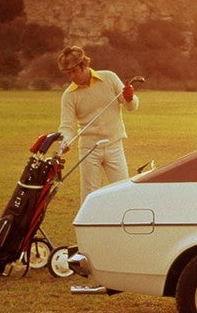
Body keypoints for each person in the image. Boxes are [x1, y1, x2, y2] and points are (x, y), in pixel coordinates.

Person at [57, 45, 139, 203]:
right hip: (89, 150)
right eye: (68, 73)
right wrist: (64, 142)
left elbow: (130, 106)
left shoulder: (109, 78)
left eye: (74, 71)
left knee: (123, 191)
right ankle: (89, 227)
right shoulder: (68, 96)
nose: (71, 76)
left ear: (84, 65)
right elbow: (66, 126)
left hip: (114, 145)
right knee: (89, 196)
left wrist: (130, 97)